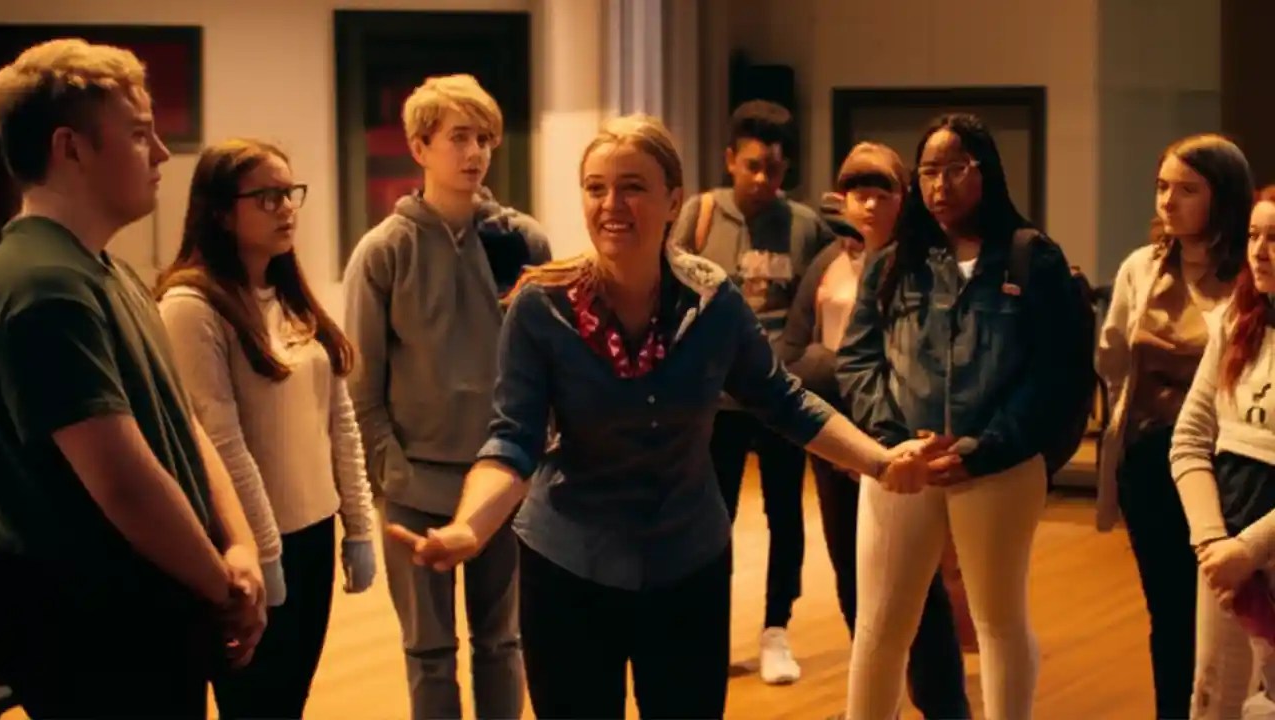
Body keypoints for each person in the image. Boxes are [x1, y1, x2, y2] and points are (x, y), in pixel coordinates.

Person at [385, 113, 949, 720]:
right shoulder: (539, 307)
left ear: (673, 199)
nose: (611, 204)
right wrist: (471, 527)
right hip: (571, 565)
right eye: (596, 187)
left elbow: (781, 398)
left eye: (632, 186)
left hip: (688, 563)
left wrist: (880, 460)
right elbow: (513, 440)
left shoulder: (713, 302)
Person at [0, 38, 266, 717]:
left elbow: (182, 425)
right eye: (140, 134)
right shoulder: (43, 285)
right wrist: (223, 584)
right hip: (100, 645)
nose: (163, 154)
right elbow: (120, 482)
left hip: (158, 622)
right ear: (71, 148)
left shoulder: (108, 272)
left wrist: (237, 547)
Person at [838, 113, 1082, 719]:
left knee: (999, 623)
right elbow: (858, 360)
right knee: (881, 625)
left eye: (955, 170)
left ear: (986, 173)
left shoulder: (1031, 258)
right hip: (902, 466)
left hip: (996, 465)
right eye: (928, 172)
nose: (940, 185)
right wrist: (892, 440)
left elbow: (1054, 373)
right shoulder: (894, 260)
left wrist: (986, 446)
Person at [343, 73, 551, 720]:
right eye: (459, 137)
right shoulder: (384, 252)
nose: (476, 152)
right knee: (428, 654)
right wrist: (390, 472)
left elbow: (547, 363)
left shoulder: (523, 243)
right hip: (417, 491)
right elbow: (361, 385)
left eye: (485, 138)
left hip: (506, 486)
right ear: (419, 146)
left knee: (503, 643)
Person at [154, 138, 377, 719]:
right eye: (268, 196)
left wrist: (358, 525)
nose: (286, 208)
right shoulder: (191, 306)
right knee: (257, 706)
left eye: (290, 193)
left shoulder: (289, 297)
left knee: (290, 701)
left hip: (312, 533)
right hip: (251, 549)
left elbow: (340, 420)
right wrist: (266, 551)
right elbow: (221, 441)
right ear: (223, 212)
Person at [780, 141, 971, 719]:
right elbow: (794, 350)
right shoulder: (829, 261)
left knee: (920, 588)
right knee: (852, 573)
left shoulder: (928, 261)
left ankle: (942, 703)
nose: (867, 203)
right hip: (837, 437)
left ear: (902, 196)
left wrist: (880, 440)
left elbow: (933, 360)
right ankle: (872, 697)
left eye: (880, 190)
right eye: (856, 190)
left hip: (903, 443)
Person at [670, 99, 833, 684]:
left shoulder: (806, 226)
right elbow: (672, 292)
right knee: (712, 516)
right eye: (752, 165)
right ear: (730, 160)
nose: (763, 179)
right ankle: (708, 630)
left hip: (777, 398)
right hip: (712, 403)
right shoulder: (701, 214)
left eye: (775, 169)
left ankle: (776, 631)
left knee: (786, 515)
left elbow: (817, 306)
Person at [1098, 134, 1255, 720]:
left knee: (1234, 613)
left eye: (1187, 190)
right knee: (1168, 613)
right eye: (1163, 187)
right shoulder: (1142, 266)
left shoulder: (1251, 272)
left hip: (1227, 470)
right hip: (1148, 462)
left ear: (1224, 196)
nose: (1169, 201)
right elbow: (1111, 357)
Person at [1171, 187, 1275, 720]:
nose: (1260, 250)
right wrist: (1213, 541)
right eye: (1255, 235)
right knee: (1212, 702)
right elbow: (1189, 439)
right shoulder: (1238, 321)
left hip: (1256, 548)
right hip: (1223, 549)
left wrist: (1251, 549)